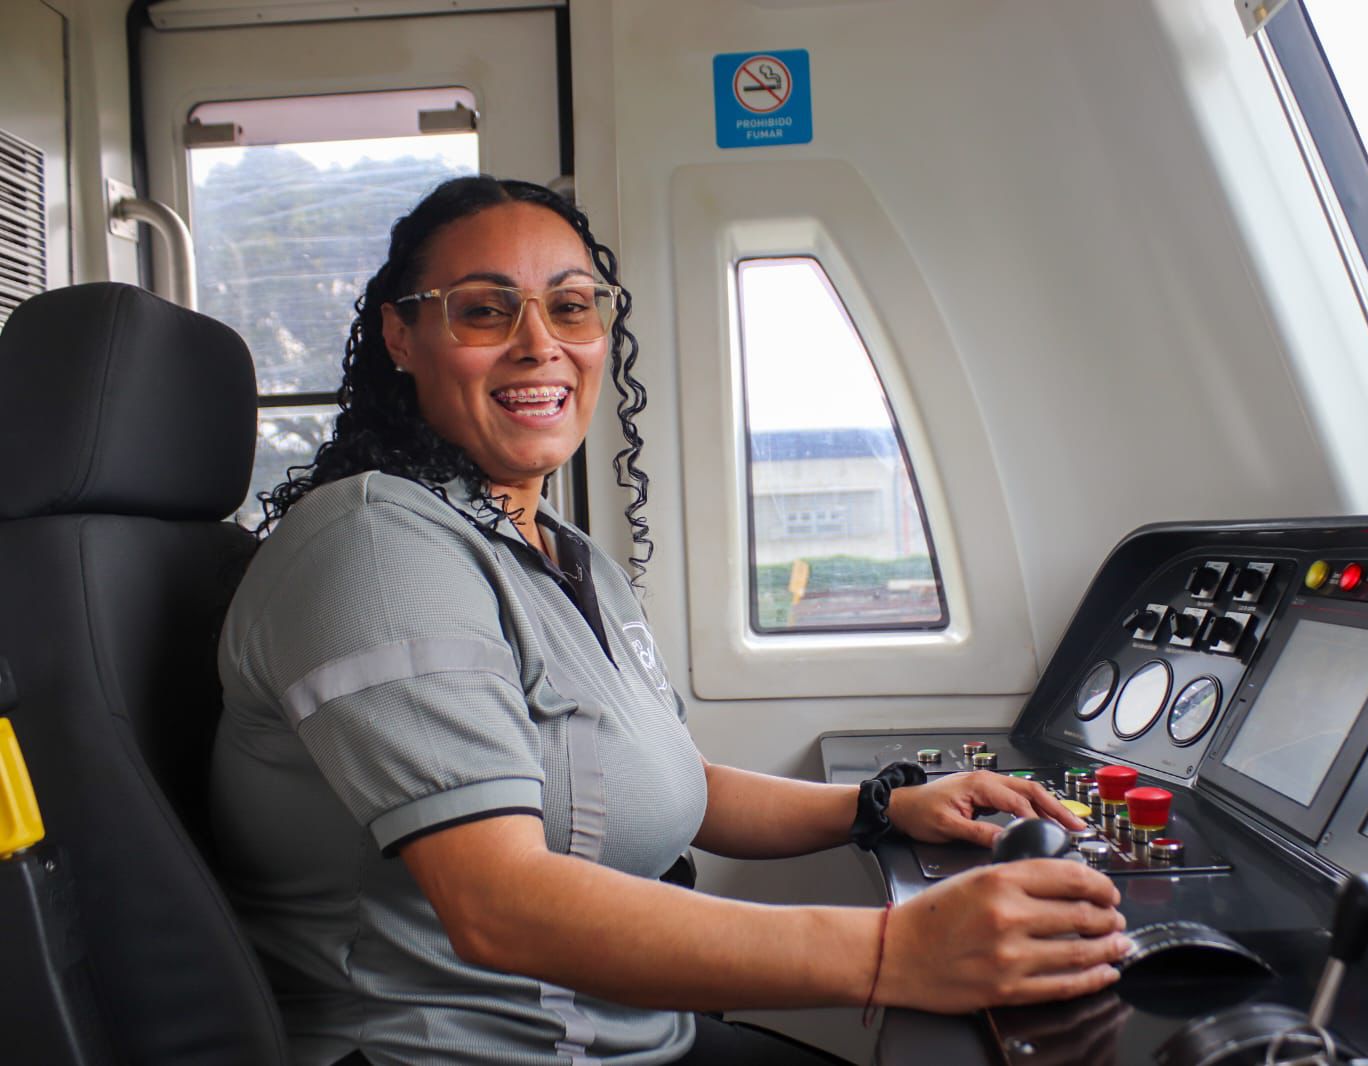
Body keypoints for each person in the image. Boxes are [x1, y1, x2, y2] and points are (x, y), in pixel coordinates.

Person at [210, 175, 1131, 1066]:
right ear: (401, 337)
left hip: (624, 1038)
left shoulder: (556, 549)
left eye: (571, 307)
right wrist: (898, 953)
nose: (539, 344)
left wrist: (880, 806)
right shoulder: (374, 548)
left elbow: (672, 782)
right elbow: (497, 903)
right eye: (485, 311)